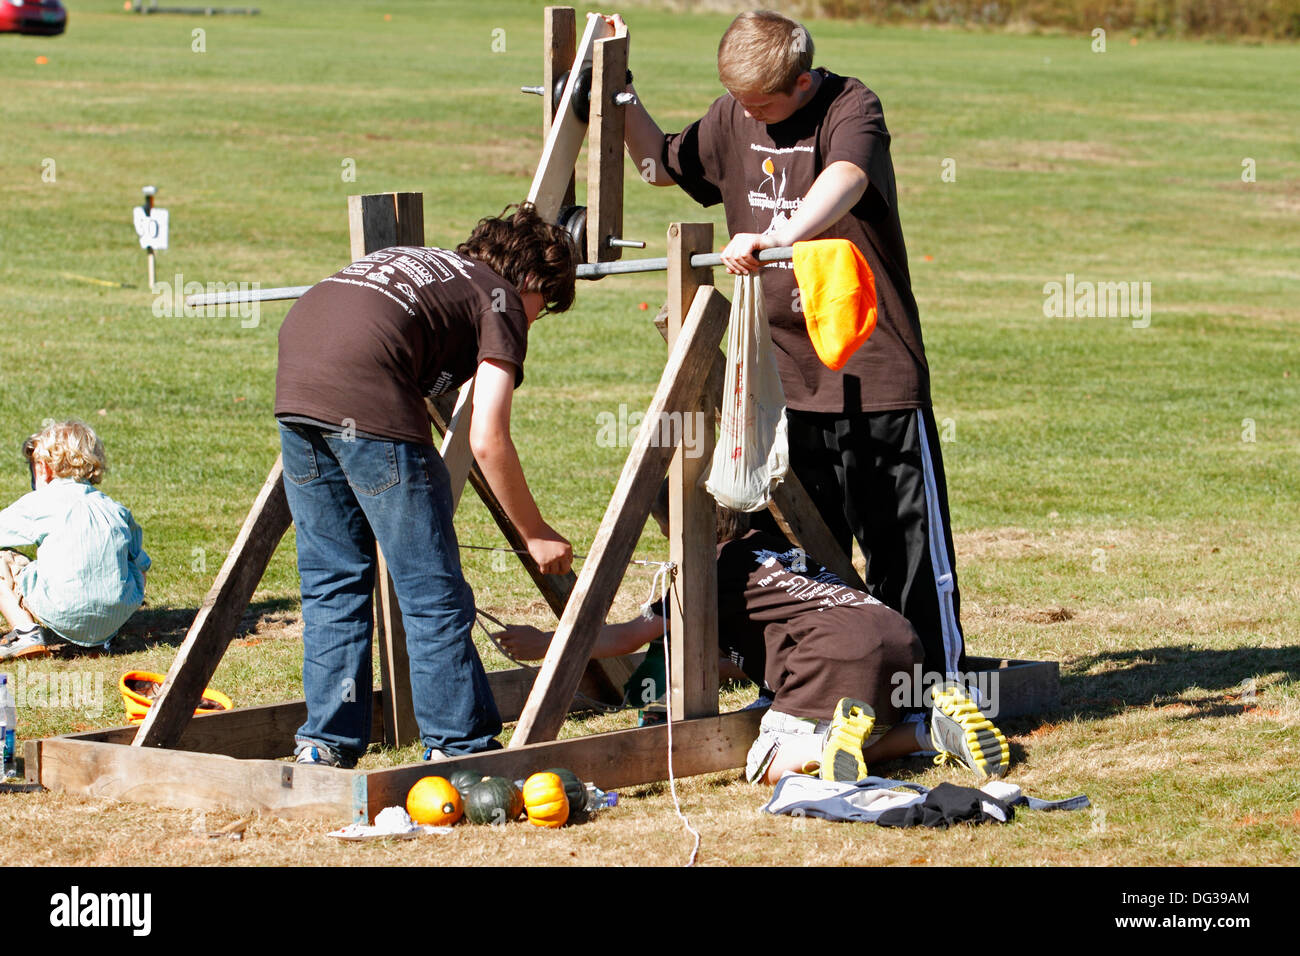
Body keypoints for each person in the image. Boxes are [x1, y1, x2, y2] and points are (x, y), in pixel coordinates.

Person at [616, 10, 966, 688]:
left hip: (871, 370)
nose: (748, 115)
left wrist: (777, 238)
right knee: (804, 553)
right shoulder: (731, 116)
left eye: (761, 104)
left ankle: (935, 693)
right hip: (778, 383)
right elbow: (660, 166)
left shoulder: (850, 105)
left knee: (905, 554)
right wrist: (619, 92)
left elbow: (847, 179)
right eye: (738, 101)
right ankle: (836, 682)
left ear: (803, 82)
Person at [274, 203, 576, 768]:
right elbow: (488, 438)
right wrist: (535, 533)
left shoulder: (430, 266)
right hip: (365, 393)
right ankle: (459, 749)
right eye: (546, 305)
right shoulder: (501, 298)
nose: (536, 318)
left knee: (332, 583)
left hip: (297, 386)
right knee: (431, 591)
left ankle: (324, 744)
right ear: (533, 281)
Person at [498, 509, 1009, 783]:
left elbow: (625, 636)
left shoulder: (704, 570)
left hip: (836, 651)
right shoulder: (777, 547)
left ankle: (825, 741)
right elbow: (750, 655)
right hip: (896, 637)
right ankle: (932, 733)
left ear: (678, 529)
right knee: (865, 731)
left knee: (765, 761)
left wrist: (544, 642)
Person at [0, 421, 150, 660]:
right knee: (134, 561)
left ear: (45, 465)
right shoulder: (116, 509)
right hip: (114, 616)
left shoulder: (41, 503)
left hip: (61, 610)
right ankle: (104, 632)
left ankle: (25, 632)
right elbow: (142, 564)